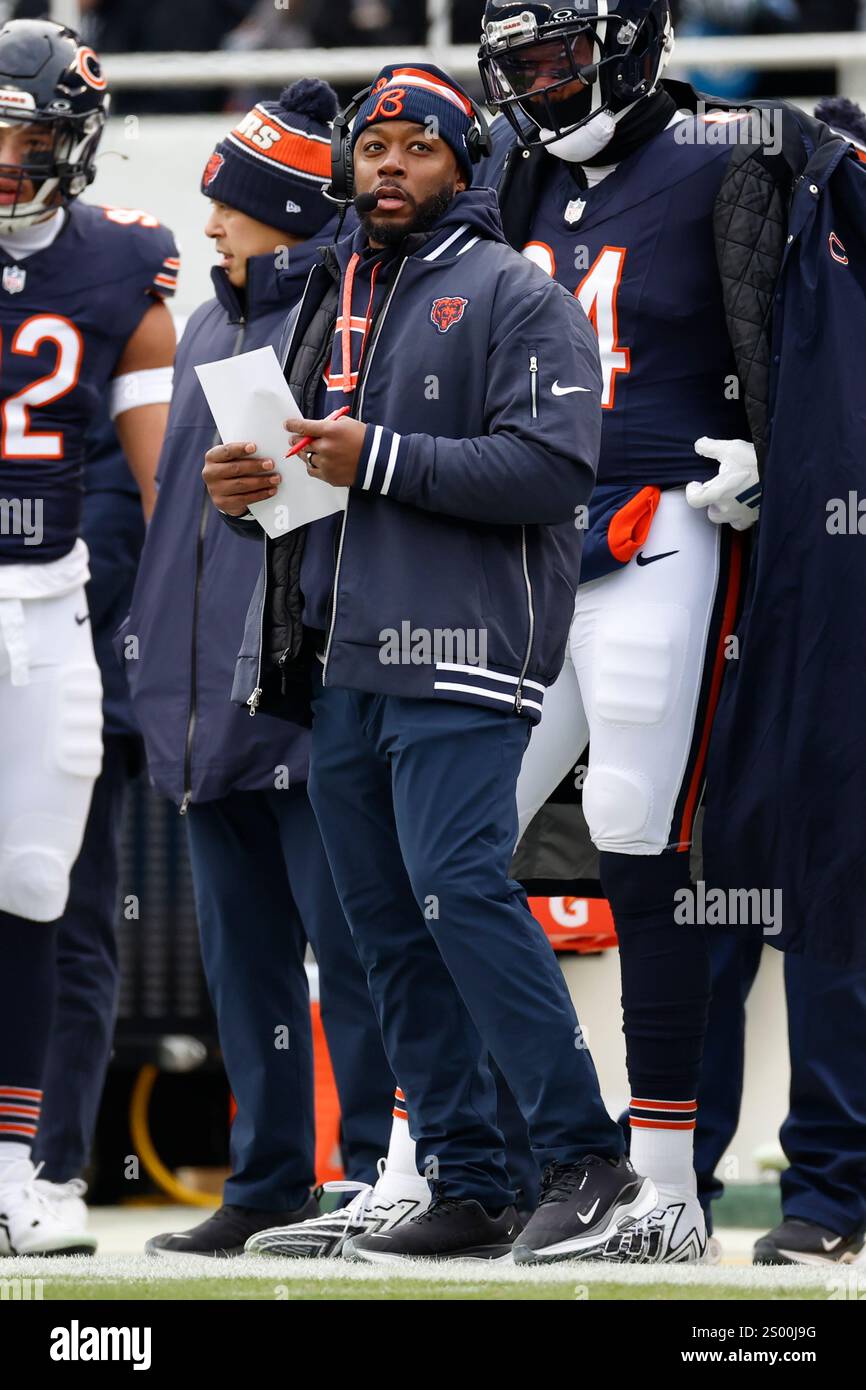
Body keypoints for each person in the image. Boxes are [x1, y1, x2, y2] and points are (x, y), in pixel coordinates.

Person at [204, 61, 660, 1265]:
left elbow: (554, 470)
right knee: (375, 926)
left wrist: (383, 457)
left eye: (417, 146)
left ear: (464, 162)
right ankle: (468, 1179)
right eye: (373, 147)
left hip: (466, 649)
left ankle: (590, 1161)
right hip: (338, 656)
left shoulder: (518, 290)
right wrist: (246, 497)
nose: (388, 165)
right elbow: (309, 483)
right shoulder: (331, 290)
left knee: (459, 889)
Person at [475, 0, 866, 1263]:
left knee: (687, 850)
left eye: (557, 58)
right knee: (451, 846)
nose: (538, 87)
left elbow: (809, 320)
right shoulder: (504, 167)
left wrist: (787, 442)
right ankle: (499, 1158)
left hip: (691, 539)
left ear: (628, 44)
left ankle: (720, 1186)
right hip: (531, 546)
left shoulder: (745, 148)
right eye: (517, 66)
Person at [122, 82, 403, 1259]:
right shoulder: (199, 328)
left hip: (296, 705)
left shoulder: (342, 322)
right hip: (198, 717)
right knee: (246, 970)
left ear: (288, 211)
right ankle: (270, 1176)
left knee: (356, 955)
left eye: (231, 204)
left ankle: (377, 1173)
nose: (209, 223)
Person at [0, 18, 176, 1256]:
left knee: (31, 888)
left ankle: (23, 1170)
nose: (7, 162)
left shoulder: (125, 265)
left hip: (49, 607)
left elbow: (166, 487)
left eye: (28, 138)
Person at [693, 93, 866, 1270]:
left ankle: (832, 1179)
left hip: (820, 575)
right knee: (716, 875)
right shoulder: (781, 163)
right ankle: (663, 1162)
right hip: (744, 569)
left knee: (830, 881)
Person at [29, 414, 147, 1252]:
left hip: (69, 703)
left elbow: (106, 545)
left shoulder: (94, 390)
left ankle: (47, 1169)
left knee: (69, 936)